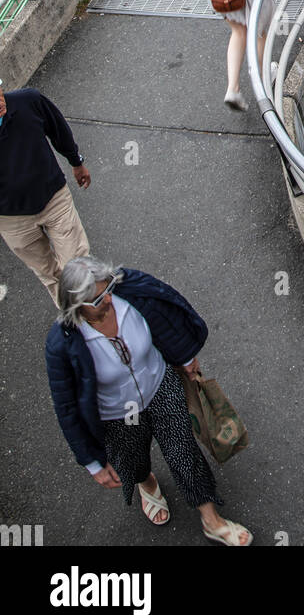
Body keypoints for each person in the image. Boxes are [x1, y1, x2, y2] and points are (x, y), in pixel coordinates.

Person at [46, 256, 252, 545]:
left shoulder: (130, 296)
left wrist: (185, 357)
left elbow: (164, 322)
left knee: (184, 453)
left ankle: (212, 520)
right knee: (133, 461)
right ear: (75, 305)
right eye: (97, 300)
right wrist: (92, 462)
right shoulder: (62, 344)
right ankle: (148, 483)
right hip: (118, 414)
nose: (107, 301)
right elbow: (66, 406)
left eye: (108, 291)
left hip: (160, 387)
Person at [0, 83, 90, 304]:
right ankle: (74, 320)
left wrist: (76, 162)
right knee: (49, 274)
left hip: (53, 199)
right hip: (11, 220)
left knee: (77, 267)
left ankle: (92, 317)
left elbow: (58, 130)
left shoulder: (28, 101)